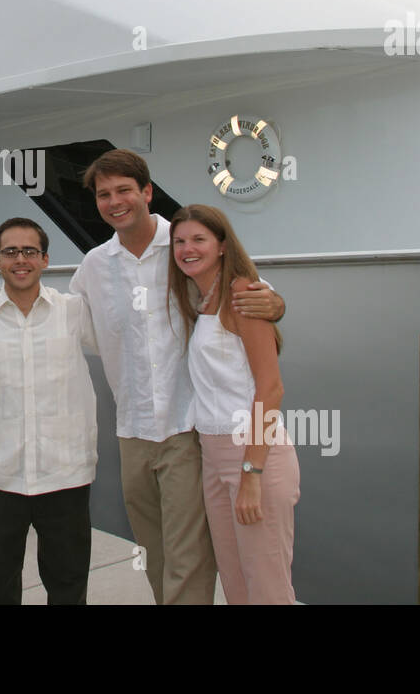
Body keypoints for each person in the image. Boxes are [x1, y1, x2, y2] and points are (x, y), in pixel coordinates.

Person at [68, 149, 285, 604]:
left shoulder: (185, 244)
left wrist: (276, 302)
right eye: (104, 194)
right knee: (156, 552)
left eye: (124, 190)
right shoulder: (93, 266)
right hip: (131, 431)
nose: (114, 201)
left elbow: (247, 289)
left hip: (188, 428)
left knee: (190, 560)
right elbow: (71, 325)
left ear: (147, 192)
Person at [0, 217, 98, 604]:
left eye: (29, 251)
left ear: (45, 259)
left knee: (68, 586)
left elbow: (125, 337)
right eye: (10, 252)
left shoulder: (74, 312)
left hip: (65, 474)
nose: (20, 259)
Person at [169, 204, 298, 604]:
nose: (187, 249)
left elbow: (271, 388)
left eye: (198, 239)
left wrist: (251, 473)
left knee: (268, 587)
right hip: (213, 454)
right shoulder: (199, 298)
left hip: (253, 455)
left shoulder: (243, 293)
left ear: (223, 246)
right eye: (179, 241)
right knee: (237, 585)